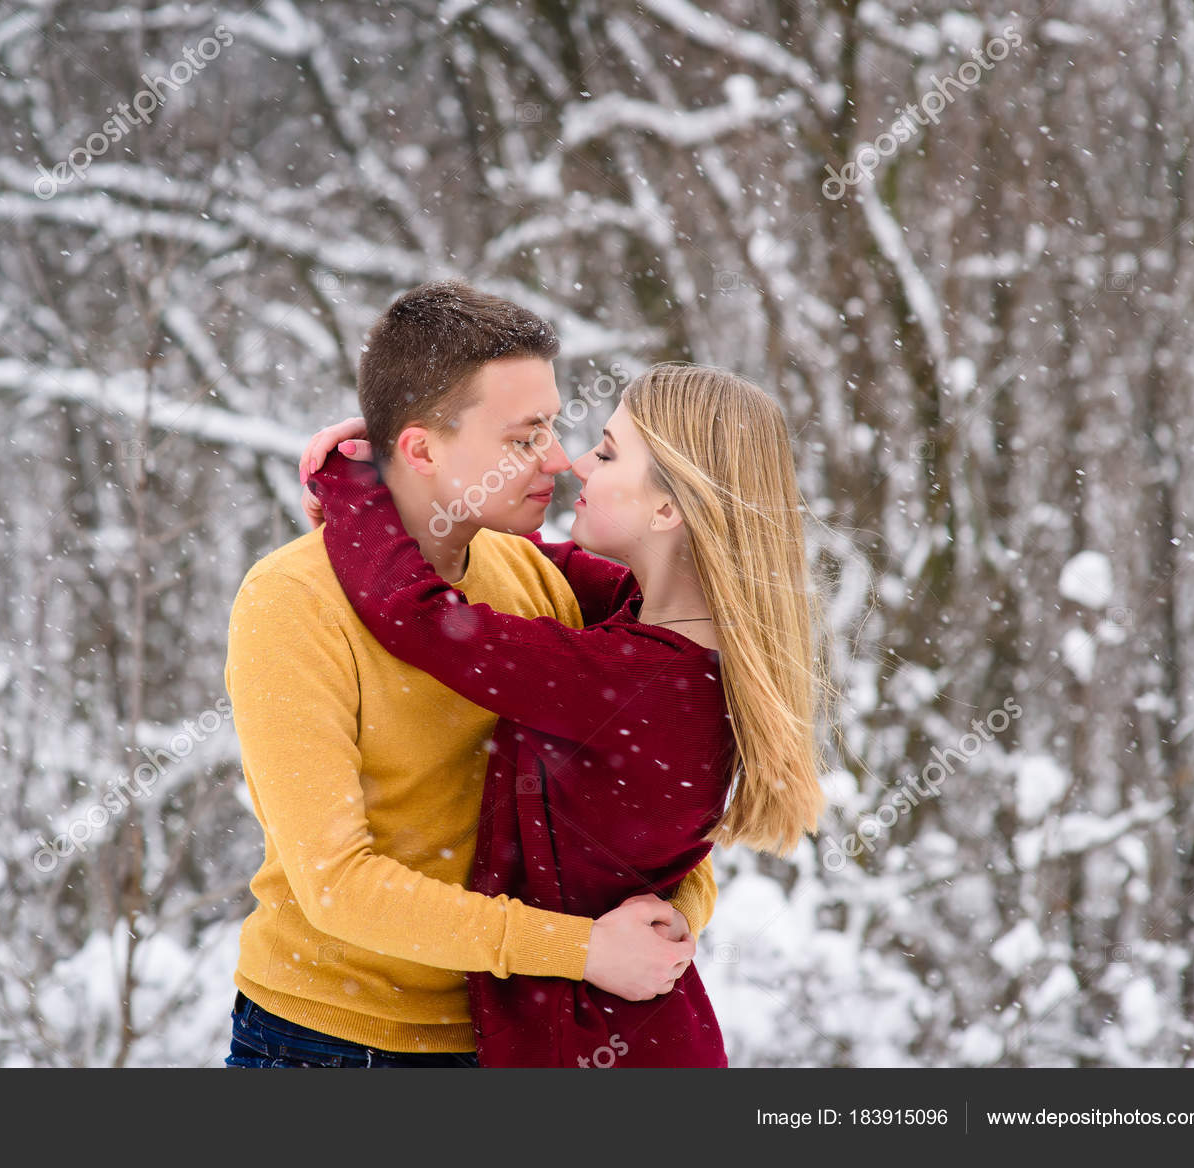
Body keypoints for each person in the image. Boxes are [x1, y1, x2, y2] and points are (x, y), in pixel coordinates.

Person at [222, 282, 719, 1068]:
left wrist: (667, 918)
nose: (559, 460)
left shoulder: (535, 579)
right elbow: (337, 884)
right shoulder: (292, 602)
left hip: (513, 1039)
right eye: (525, 437)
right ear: (420, 449)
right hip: (332, 1042)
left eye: (554, 428)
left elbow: (660, 794)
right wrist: (581, 949)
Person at [303, 362, 830, 1066]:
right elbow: (513, 560)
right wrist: (418, 486)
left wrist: (352, 485)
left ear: (669, 510)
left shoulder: (633, 679)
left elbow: (422, 619)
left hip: (579, 1047)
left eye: (608, 453)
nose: (578, 462)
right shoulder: (671, 630)